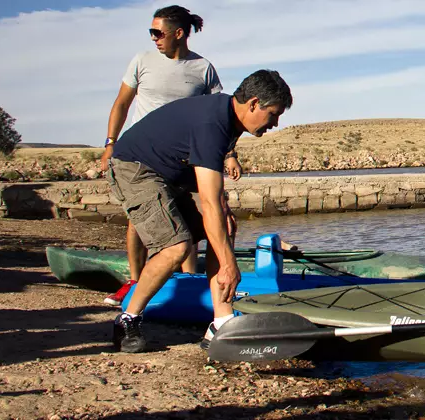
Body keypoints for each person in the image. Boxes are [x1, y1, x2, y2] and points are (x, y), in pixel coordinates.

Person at [108, 69, 292, 353]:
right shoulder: (212, 124)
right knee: (175, 248)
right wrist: (228, 263)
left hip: (172, 174)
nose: (276, 123)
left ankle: (221, 321)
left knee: (225, 225)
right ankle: (127, 320)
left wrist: (223, 221)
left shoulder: (230, 122)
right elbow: (207, 202)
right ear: (254, 103)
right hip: (135, 167)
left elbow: (213, 194)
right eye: (273, 114)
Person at [99, 5, 235, 307]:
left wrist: (230, 154)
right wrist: (110, 142)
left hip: (185, 159)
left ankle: (187, 282)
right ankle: (134, 283)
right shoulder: (142, 61)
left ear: (179, 33)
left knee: (195, 221)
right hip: (144, 156)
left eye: (157, 33)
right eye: (151, 32)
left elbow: (220, 116)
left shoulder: (203, 68)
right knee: (140, 220)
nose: (153, 39)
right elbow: (121, 103)